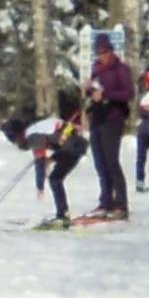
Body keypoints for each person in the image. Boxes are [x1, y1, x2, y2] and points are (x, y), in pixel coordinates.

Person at [83, 34, 134, 219]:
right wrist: (89, 90)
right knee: (100, 162)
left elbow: (128, 93)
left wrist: (107, 94)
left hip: (113, 118)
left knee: (111, 161)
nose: (101, 56)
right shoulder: (96, 69)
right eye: (98, 53)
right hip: (97, 117)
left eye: (104, 52)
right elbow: (93, 91)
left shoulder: (120, 69)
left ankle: (121, 203)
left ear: (111, 51)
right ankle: (105, 201)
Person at [28, 87, 90, 227]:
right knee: (56, 178)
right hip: (76, 146)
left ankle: (62, 214)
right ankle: (63, 212)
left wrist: (40, 187)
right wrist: (51, 159)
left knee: (55, 178)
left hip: (73, 147)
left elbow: (40, 161)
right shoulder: (50, 126)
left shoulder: (37, 133)